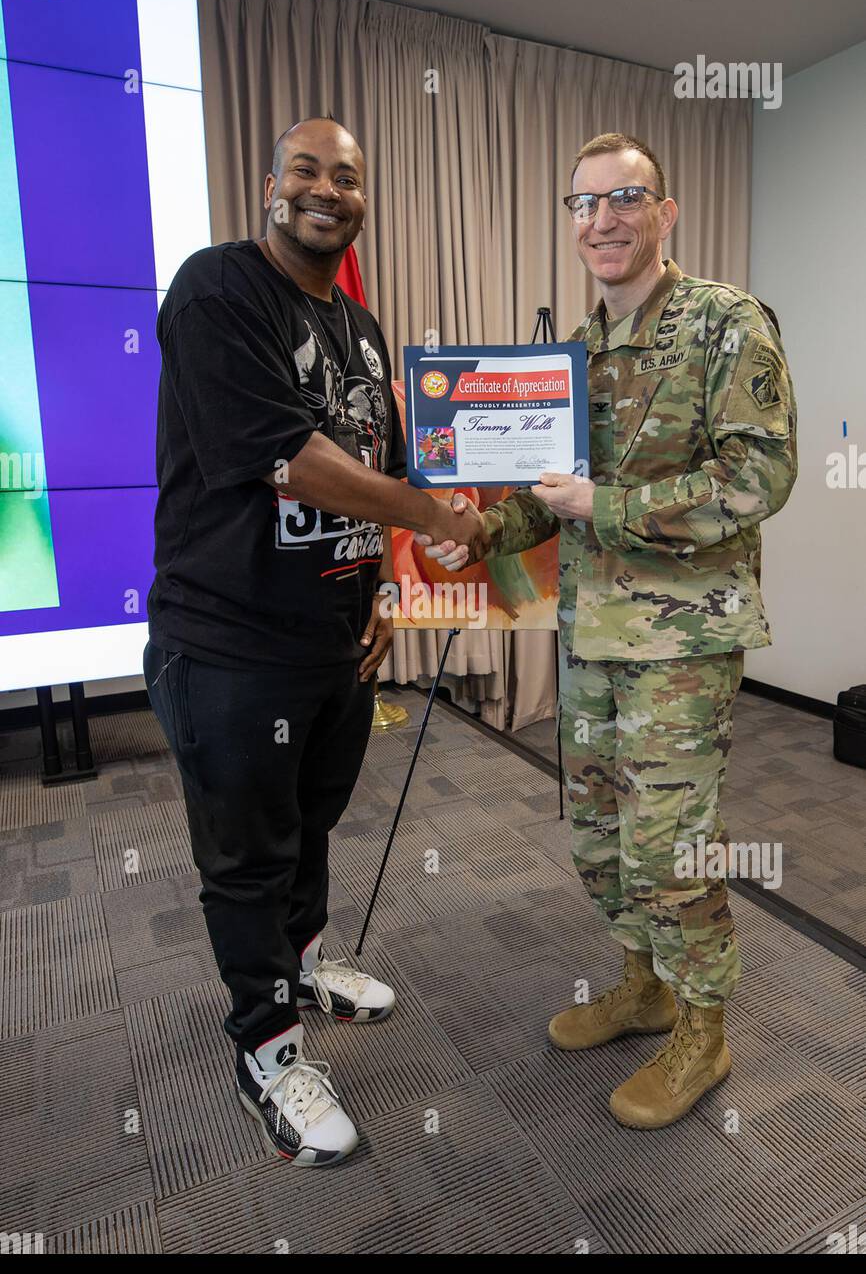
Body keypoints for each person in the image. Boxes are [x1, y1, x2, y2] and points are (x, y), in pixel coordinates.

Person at [419, 132, 797, 1129]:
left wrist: (610, 506)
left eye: (623, 197)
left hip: (681, 641)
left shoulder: (725, 323)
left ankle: (703, 1032)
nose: (601, 219)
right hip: (590, 638)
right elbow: (551, 501)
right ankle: (644, 984)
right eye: (582, 203)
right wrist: (484, 534)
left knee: (671, 844)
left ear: (662, 213)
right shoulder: (571, 356)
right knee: (597, 838)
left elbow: (758, 479)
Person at [144, 117, 470, 1166]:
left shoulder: (363, 331)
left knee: (310, 828)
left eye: (347, 175)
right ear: (270, 185)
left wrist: (377, 585)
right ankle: (266, 1048)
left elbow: (363, 457)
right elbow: (290, 458)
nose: (328, 188)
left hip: (330, 644)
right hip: (229, 645)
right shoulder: (217, 290)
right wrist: (427, 515)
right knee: (245, 859)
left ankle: (301, 968)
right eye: (307, 170)